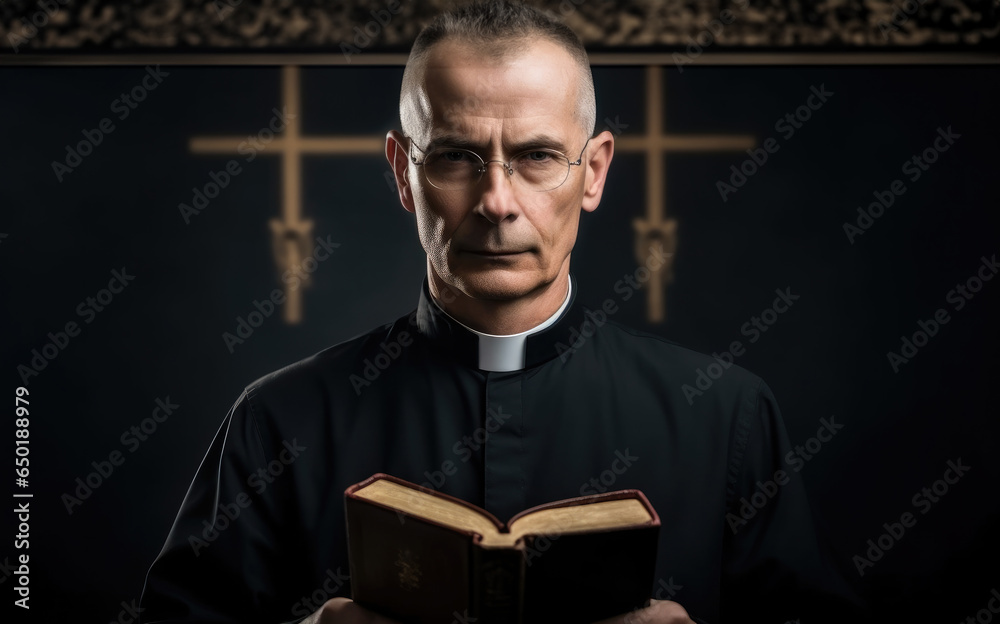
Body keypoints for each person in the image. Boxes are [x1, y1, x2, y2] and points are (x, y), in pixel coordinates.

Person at [140, 1, 866, 622]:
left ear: (595, 171)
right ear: (403, 172)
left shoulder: (730, 419)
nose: (496, 202)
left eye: (538, 156)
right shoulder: (279, 422)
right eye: (456, 156)